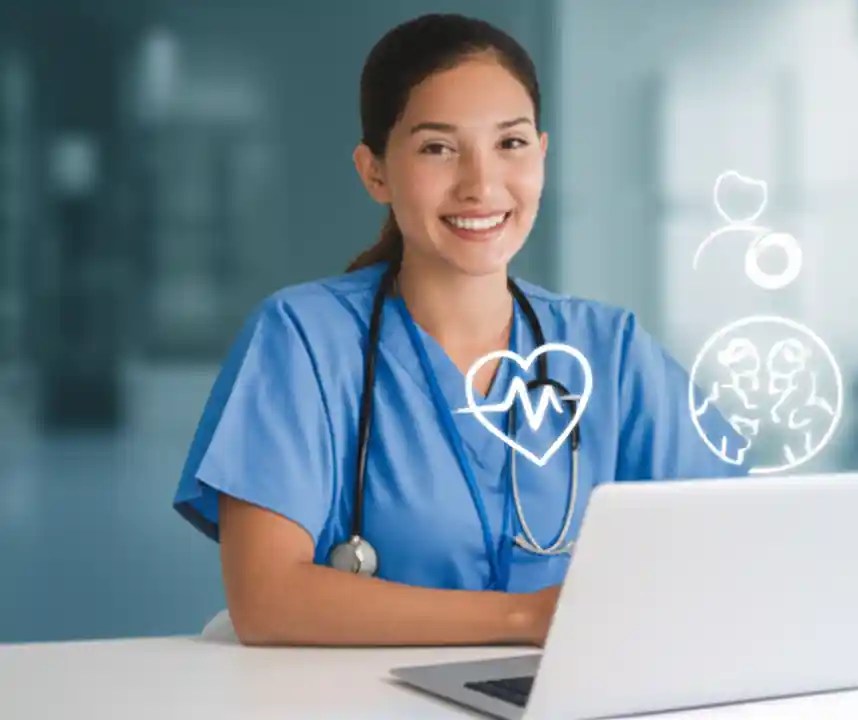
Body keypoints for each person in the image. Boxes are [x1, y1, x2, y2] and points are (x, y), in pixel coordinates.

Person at [172, 13, 746, 649]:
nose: (481, 184)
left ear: (542, 155)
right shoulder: (304, 340)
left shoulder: (611, 352)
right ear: (375, 172)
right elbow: (268, 599)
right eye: (438, 148)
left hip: (572, 690)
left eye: (510, 143)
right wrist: (527, 618)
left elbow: (736, 543)